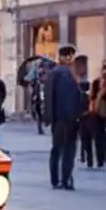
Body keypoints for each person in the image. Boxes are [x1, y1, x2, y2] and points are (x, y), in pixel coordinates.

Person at [44, 45, 86, 190]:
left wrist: (49, 117)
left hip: (57, 118)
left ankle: (55, 178)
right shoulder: (68, 74)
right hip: (68, 118)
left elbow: (49, 96)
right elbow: (72, 98)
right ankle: (66, 178)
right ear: (69, 57)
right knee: (68, 149)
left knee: (56, 148)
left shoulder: (52, 73)